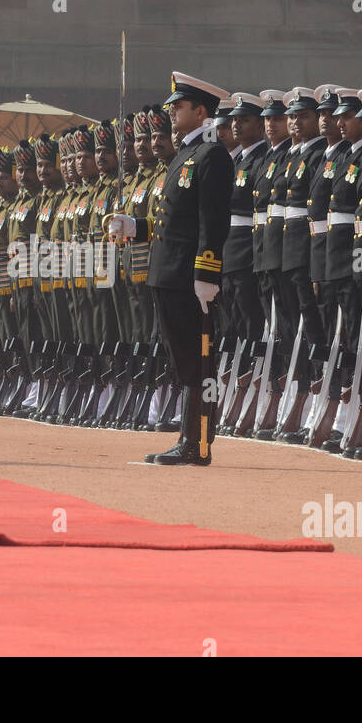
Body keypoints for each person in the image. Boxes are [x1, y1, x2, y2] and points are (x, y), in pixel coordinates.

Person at [107, 71, 233, 466]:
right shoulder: (184, 156)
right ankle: (188, 438)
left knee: (197, 359)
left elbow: (211, 222)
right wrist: (134, 227)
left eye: (179, 107)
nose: (173, 113)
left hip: (188, 276)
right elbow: (170, 222)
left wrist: (206, 274)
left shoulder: (213, 156)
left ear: (200, 111)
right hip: (166, 272)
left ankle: (196, 443)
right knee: (182, 357)